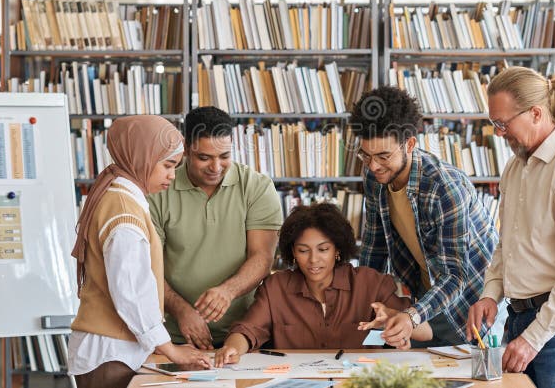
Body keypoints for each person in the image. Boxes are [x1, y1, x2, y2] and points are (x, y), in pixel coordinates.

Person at [467, 66, 555, 388]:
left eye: (503, 123)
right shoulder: (515, 166)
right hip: (521, 314)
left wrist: (534, 338)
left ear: (535, 113)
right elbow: (506, 243)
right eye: (494, 123)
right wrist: (490, 295)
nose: (498, 133)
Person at [68, 115, 210, 388]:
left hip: (114, 350)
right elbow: (131, 292)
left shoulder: (120, 196)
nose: (172, 175)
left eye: (176, 166)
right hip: (111, 353)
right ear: (141, 157)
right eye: (167, 165)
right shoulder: (123, 211)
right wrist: (171, 349)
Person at [350, 85, 498, 346]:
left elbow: (456, 276)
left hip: (470, 302)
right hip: (424, 296)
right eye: (366, 155)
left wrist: (411, 316)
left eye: (384, 155)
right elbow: (374, 250)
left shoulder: (444, 188)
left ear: (409, 144)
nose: (373, 166)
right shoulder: (376, 177)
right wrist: (358, 303)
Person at [214, 203, 432, 366]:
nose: (313, 260)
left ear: (337, 250)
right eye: (303, 250)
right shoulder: (276, 287)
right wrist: (232, 348)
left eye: (323, 249)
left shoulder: (370, 282)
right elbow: (247, 330)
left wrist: (394, 316)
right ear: (292, 252)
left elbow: (425, 333)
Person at [148, 106, 283, 349]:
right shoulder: (159, 191)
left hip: (245, 333)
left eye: (224, 156)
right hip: (174, 338)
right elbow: (150, 266)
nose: (216, 167)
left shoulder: (257, 186)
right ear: (186, 149)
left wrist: (227, 291)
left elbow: (263, 257)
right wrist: (180, 310)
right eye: (204, 158)